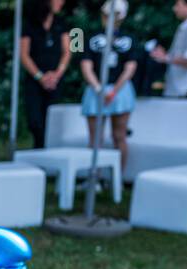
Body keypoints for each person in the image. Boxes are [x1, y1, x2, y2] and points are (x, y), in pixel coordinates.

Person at [80, 0, 138, 173]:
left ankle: (117, 178)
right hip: (96, 91)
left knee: (119, 136)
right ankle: (94, 178)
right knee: (95, 139)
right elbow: (86, 66)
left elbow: (130, 68)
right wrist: (99, 89)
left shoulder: (129, 39)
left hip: (120, 91)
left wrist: (114, 91)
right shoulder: (91, 38)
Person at [20, 0, 73, 149]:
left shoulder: (62, 23)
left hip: (55, 80)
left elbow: (68, 51)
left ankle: (48, 155)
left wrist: (57, 74)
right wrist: (40, 77)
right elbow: (24, 54)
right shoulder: (29, 24)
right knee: (35, 121)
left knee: (51, 120)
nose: (61, 3)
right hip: (34, 80)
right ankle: (39, 150)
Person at [152, 0, 187, 97]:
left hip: (186, 90)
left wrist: (166, 58)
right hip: (180, 90)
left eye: (177, 4)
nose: (174, 9)